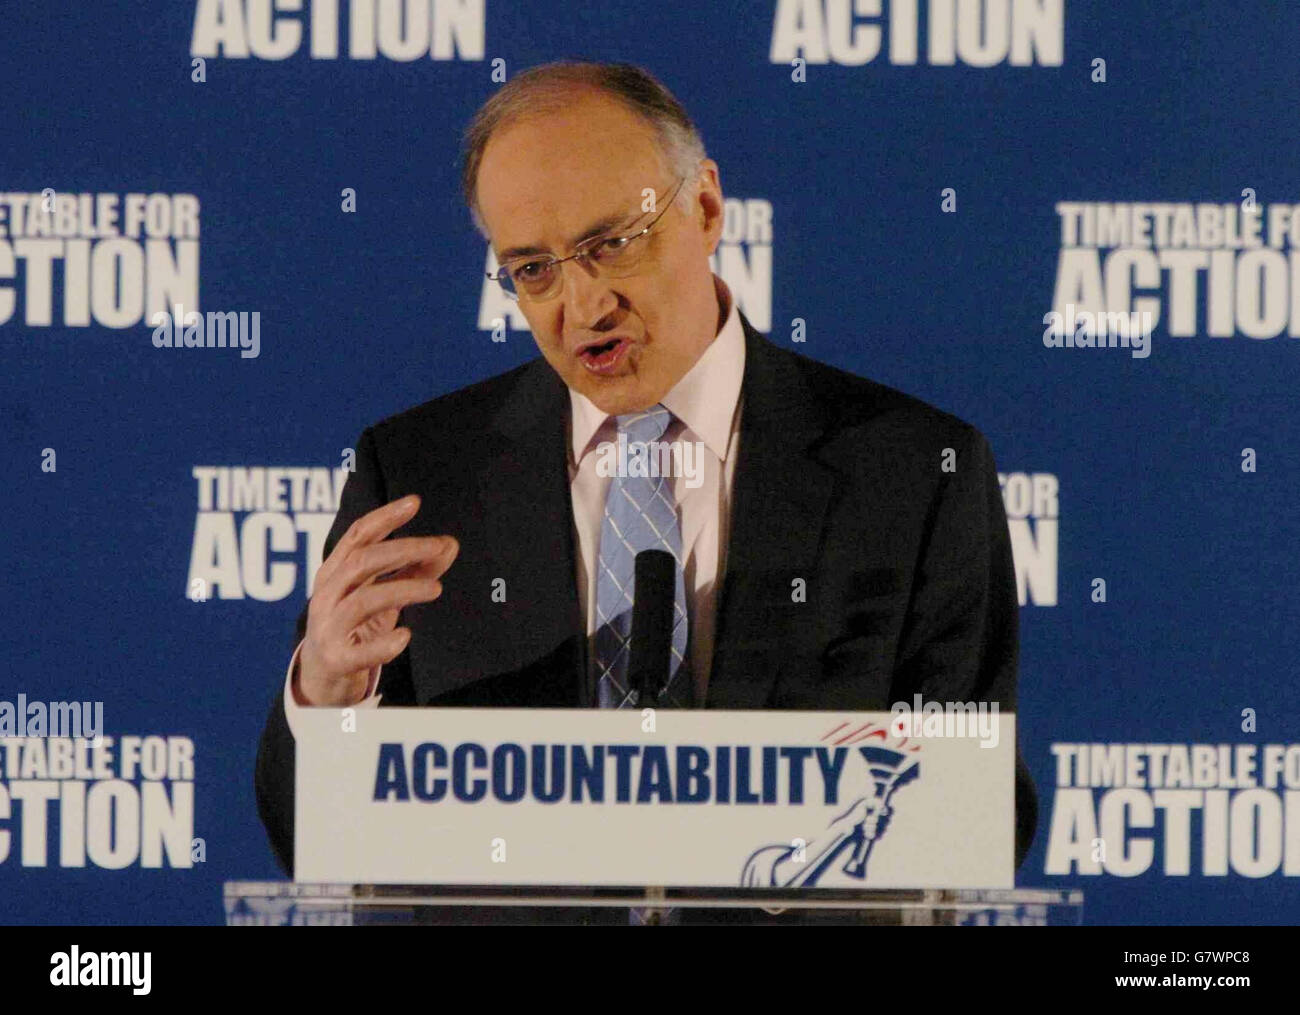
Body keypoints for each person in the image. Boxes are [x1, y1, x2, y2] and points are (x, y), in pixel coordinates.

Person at [255, 60, 1037, 880]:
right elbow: (307, 838)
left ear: (704, 207)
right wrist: (326, 699)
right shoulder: (419, 474)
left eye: (611, 244)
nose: (583, 305)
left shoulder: (914, 472)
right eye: (534, 269)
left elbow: (976, 815)